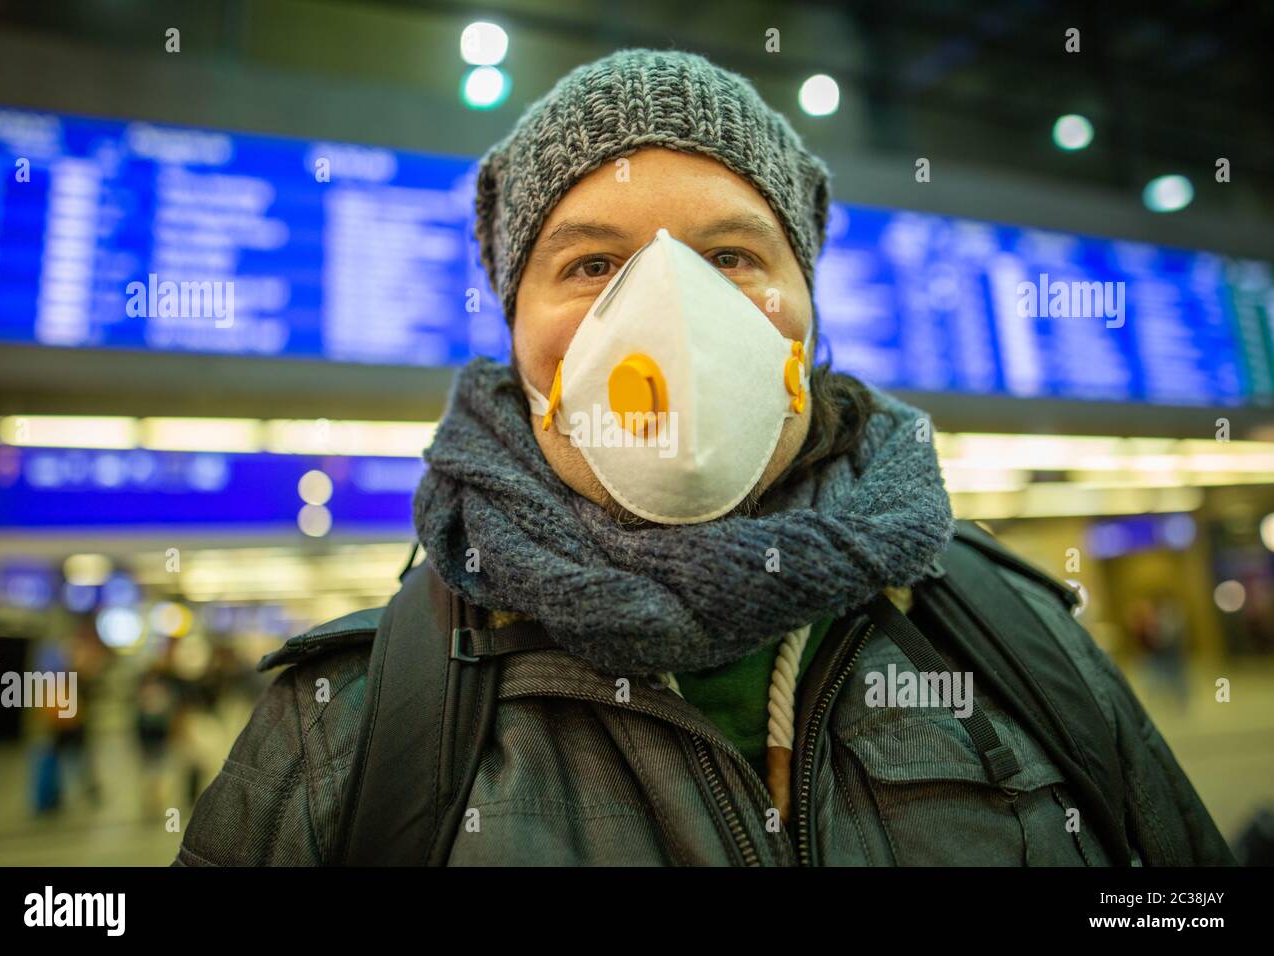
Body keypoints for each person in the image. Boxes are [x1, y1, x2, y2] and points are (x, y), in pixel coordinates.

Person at [174, 48, 1234, 867]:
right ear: (515, 334)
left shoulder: (1002, 633)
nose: (670, 313)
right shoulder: (353, 728)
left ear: (807, 316)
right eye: (592, 262)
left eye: (730, 256)